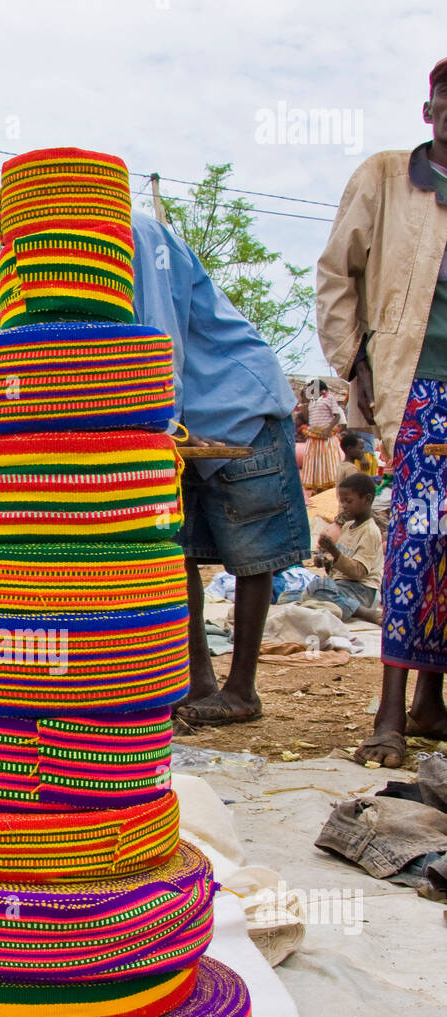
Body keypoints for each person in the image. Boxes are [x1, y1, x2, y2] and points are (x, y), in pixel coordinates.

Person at [131, 210, 310, 728]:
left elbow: (158, 340)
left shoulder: (138, 234)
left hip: (237, 409)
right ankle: (202, 682)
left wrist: (155, 427)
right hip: (188, 420)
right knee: (178, 548)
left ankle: (242, 690)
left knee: (254, 554)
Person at [318, 57, 447, 767]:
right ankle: (389, 715)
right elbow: (338, 271)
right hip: (421, 392)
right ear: (429, 109)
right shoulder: (388, 177)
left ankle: (431, 703)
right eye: (445, 96)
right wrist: (352, 363)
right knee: (416, 548)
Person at [304, 473, 383, 623]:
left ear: (367, 499)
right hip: (341, 586)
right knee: (296, 594)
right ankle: (336, 606)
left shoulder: (370, 531)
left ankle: (365, 613)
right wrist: (325, 561)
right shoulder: (347, 527)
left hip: (362, 590)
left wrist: (334, 552)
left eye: (349, 501)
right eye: (342, 501)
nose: (344, 506)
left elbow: (358, 572)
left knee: (319, 588)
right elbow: (338, 567)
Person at [300, 378, 345, 490]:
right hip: (314, 437)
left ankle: (331, 486)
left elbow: (337, 415)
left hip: (326, 437)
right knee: (314, 462)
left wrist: (328, 429)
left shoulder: (329, 398)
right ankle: (318, 487)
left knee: (328, 461)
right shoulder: (311, 402)